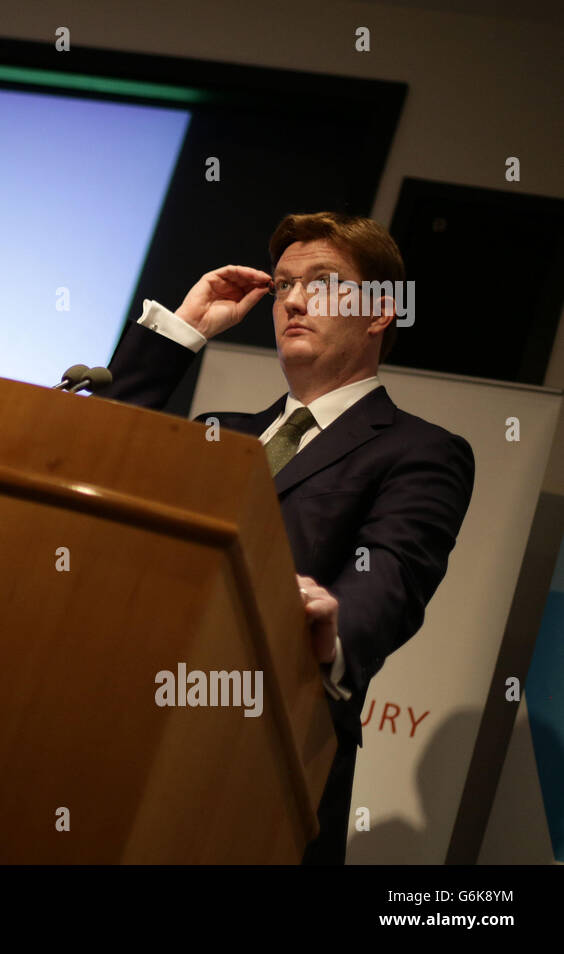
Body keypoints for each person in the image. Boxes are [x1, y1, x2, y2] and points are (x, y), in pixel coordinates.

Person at [106, 211, 475, 863]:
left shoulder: (422, 453)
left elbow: (391, 576)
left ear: (381, 312)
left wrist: (335, 620)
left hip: (267, 767)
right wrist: (181, 333)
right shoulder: (219, 431)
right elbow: (94, 456)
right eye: (282, 285)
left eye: (323, 283)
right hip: (137, 739)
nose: (295, 300)